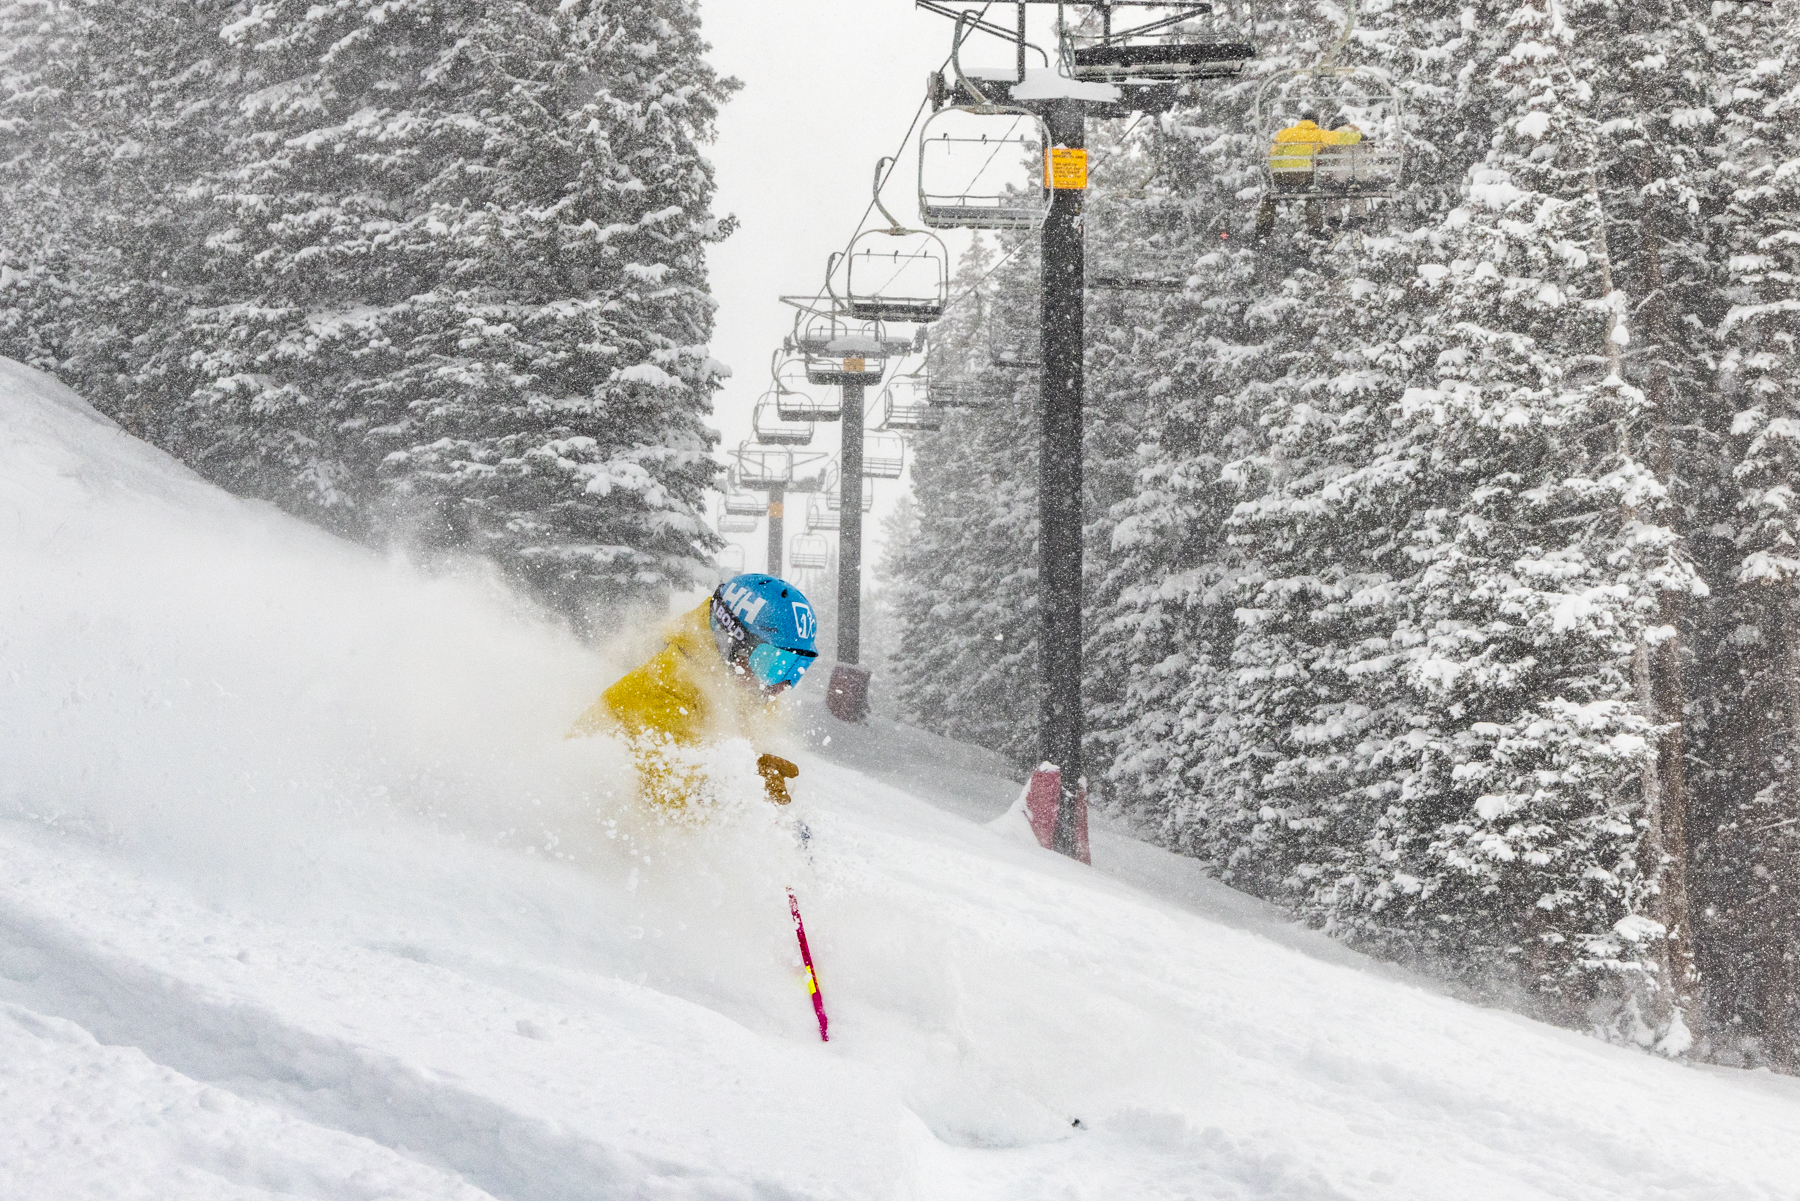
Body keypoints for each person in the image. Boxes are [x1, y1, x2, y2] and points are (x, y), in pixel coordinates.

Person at [570, 573, 818, 809]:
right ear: (730, 641)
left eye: (797, 667)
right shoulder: (664, 689)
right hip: (586, 813)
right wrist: (746, 782)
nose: (784, 684)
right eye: (775, 664)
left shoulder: (746, 687)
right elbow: (669, 806)